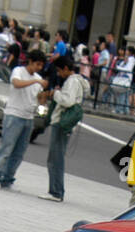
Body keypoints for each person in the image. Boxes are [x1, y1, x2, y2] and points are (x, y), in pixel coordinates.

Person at [0, 49, 47, 190]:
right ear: (30, 61)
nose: (39, 68)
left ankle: (7, 179)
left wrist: (44, 97)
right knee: (6, 148)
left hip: (28, 117)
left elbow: (39, 99)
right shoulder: (19, 71)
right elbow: (16, 84)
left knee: (19, 152)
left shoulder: (38, 78)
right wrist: (35, 81)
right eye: (37, 64)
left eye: (41, 65)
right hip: (14, 114)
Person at [43, 55, 88, 203]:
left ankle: (55, 191)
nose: (58, 73)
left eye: (59, 70)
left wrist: (55, 94)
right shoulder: (78, 81)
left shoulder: (72, 82)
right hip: (65, 123)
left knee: (55, 158)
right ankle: (55, 190)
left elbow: (68, 101)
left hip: (61, 122)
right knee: (56, 157)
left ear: (66, 69)